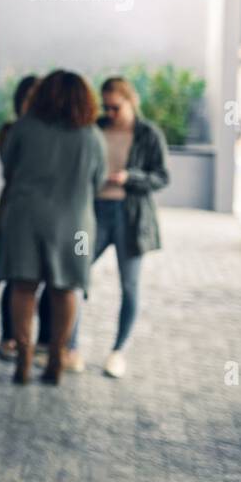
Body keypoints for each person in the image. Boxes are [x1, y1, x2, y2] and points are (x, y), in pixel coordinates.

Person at [0, 70, 106, 385]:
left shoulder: (24, 128)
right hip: (74, 223)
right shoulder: (92, 135)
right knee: (66, 288)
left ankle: (24, 360)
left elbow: (9, 169)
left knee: (23, 286)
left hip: (24, 218)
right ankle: (57, 357)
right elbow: (99, 180)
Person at [92, 76, 169, 378]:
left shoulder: (148, 134)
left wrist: (130, 177)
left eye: (115, 107)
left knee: (130, 286)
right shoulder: (95, 128)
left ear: (131, 100)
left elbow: (162, 176)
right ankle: (68, 348)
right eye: (106, 107)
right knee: (74, 277)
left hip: (131, 214)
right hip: (95, 212)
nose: (109, 113)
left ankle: (117, 351)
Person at [0, 74, 55, 363]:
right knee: (16, 275)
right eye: (29, 96)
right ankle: (11, 336)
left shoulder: (51, 130)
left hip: (43, 211)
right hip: (15, 209)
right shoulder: (12, 130)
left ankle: (44, 340)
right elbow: (11, 169)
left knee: (48, 280)